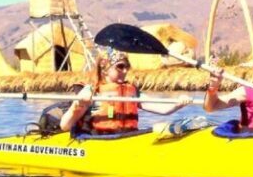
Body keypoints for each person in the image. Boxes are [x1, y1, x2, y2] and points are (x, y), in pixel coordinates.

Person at [59, 50, 192, 134]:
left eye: (127, 66)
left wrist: (178, 104)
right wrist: (78, 104)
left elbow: (163, 110)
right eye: (120, 67)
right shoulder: (91, 90)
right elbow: (65, 126)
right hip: (102, 141)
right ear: (105, 69)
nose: (125, 71)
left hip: (127, 138)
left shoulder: (132, 91)